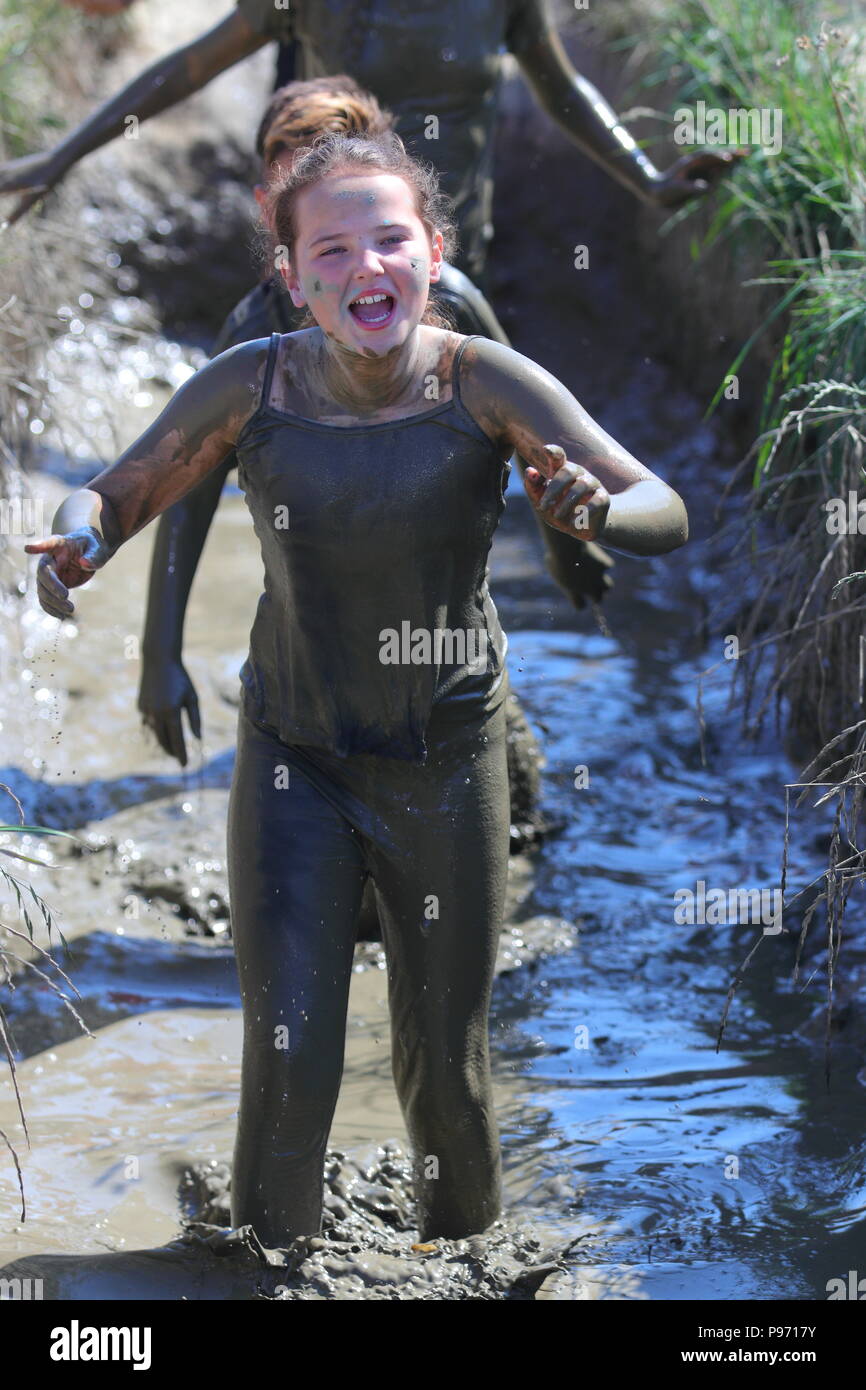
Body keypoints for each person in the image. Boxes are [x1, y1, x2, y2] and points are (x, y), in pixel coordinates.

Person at [25, 131, 688, 1244]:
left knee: (448, 1076)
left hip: (447, 761)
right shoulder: (252, 382)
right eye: (329, 249)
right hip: (296, 761)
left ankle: (465, 1255)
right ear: (292, 277)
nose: (363, 267)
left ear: (433, 252)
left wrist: (590, 512)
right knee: (287, 1057)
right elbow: (117, 492)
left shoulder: (484, 379)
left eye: (390, 239)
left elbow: (661, 505)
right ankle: (270, 1264)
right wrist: (74, 543)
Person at [138, 75, 610, 775]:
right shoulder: (251, 339)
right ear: (276, 218)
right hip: (316, 649)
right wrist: (157, 651)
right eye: (319, 215)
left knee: (509, 792)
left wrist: (565, 546)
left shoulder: (448, 306)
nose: (356, 249)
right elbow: (187, 493)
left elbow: (535, 435)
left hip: (446, 649)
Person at [0, 0, 739, 288]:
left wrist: (651, 180)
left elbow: (565, 90)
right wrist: (61, 157)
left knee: (459, 437)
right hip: (330, 254)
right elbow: (186, 68)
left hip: (448, 258)